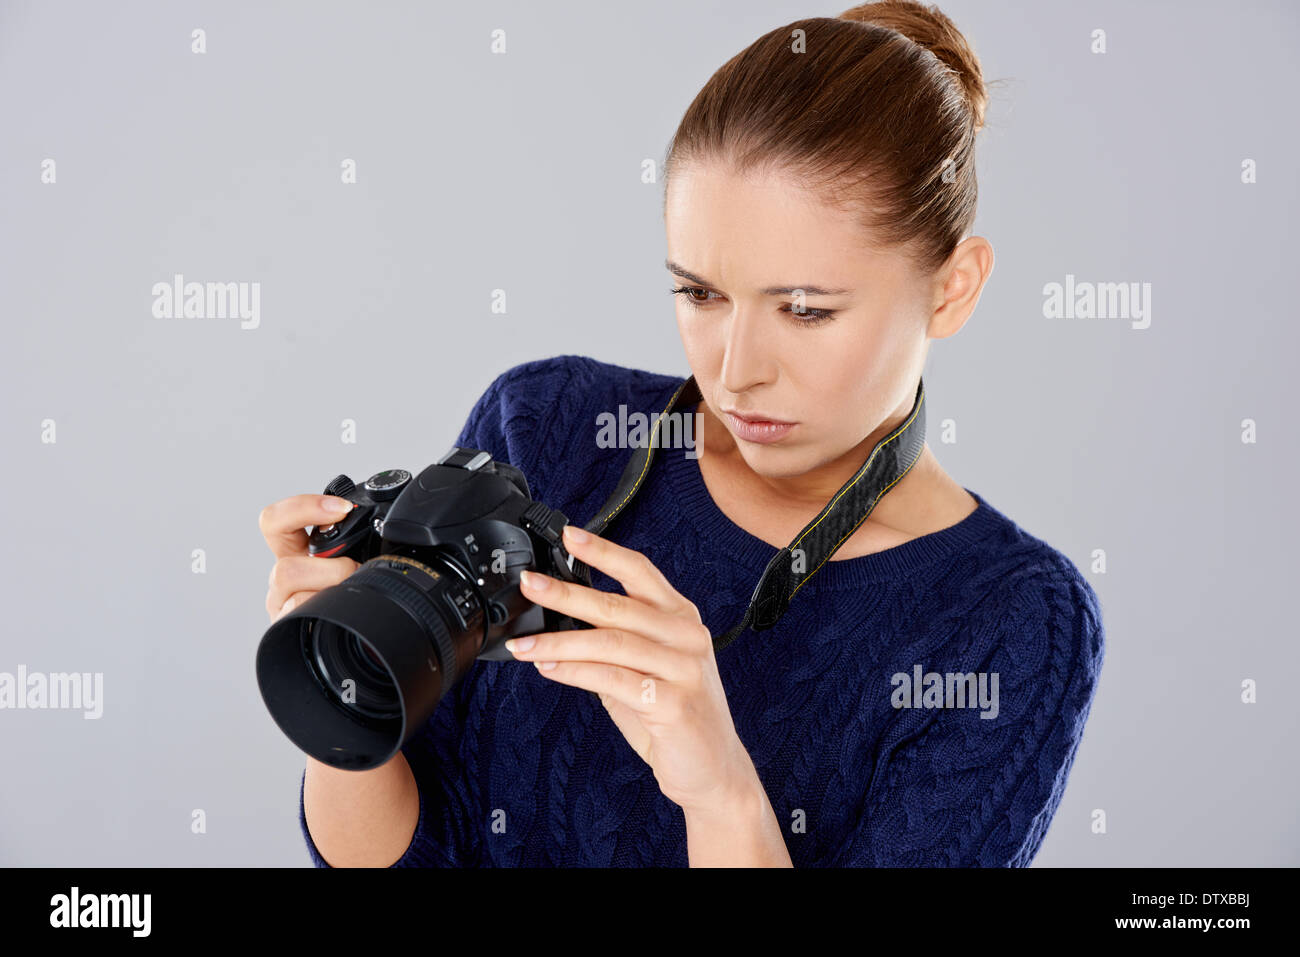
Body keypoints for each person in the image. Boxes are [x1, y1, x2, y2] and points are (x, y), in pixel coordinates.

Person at [260, 0, 1104, 867]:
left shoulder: (1011, 621)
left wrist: (720, 790)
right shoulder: (546, 425)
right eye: (700, 294)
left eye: (805, 309)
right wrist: (349, 677)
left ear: (954, 289)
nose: (735, 371)